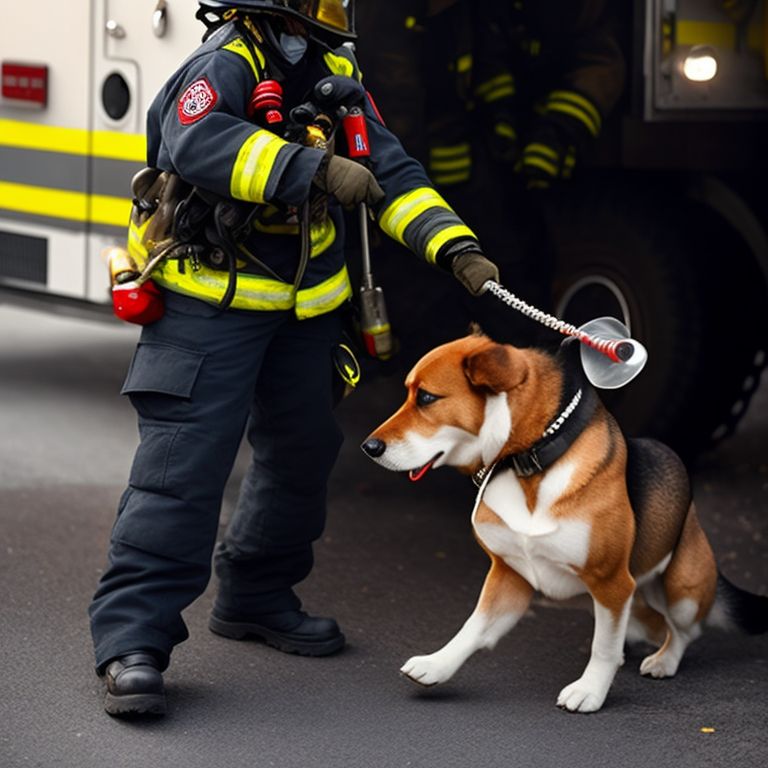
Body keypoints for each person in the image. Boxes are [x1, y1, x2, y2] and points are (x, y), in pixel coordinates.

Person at [88, 0, 499, 718]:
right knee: (181, 473)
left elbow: (391, 173)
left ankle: (256, 594)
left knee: (303, 454)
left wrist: (454, 247)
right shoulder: (226, 61)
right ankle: (133, 643)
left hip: (303, 314)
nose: (327, 11)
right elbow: (195, 141)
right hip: (207, 306)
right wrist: (310, 168)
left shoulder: (335, 67)